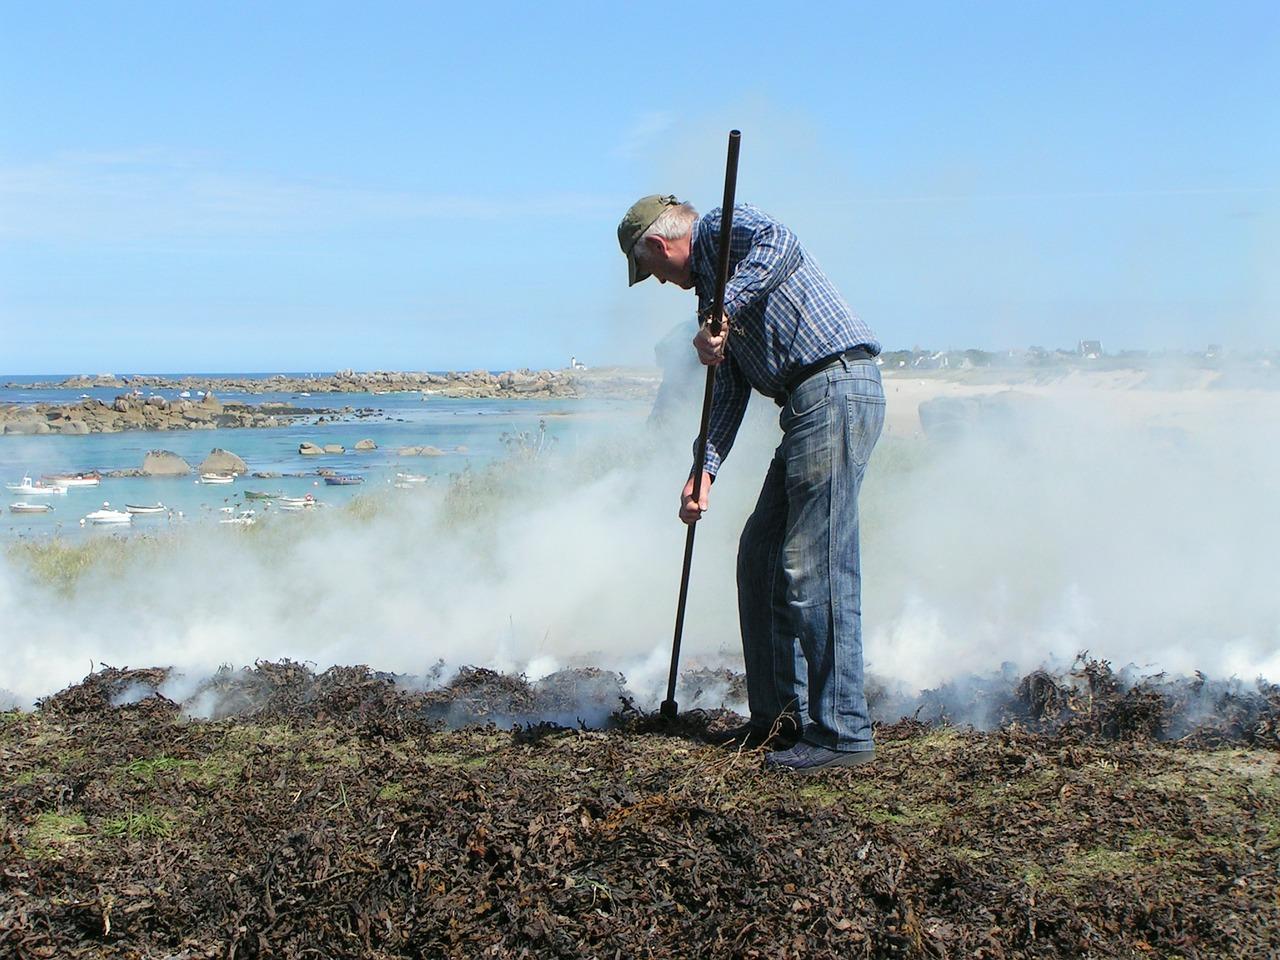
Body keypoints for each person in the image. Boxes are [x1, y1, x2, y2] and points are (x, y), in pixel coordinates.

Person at [617, 194, 886, 773]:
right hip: (806, 407)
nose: (662, 283)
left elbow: (782, 243)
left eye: (653, 271)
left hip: (835, 386)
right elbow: (731, 392)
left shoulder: (717, 230)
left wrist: (725, 309)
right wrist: (703, 470)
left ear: (661, 247)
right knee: (759, 554)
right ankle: (776, 719)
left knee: (814, 562)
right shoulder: (709, 305)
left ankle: (843, 732)